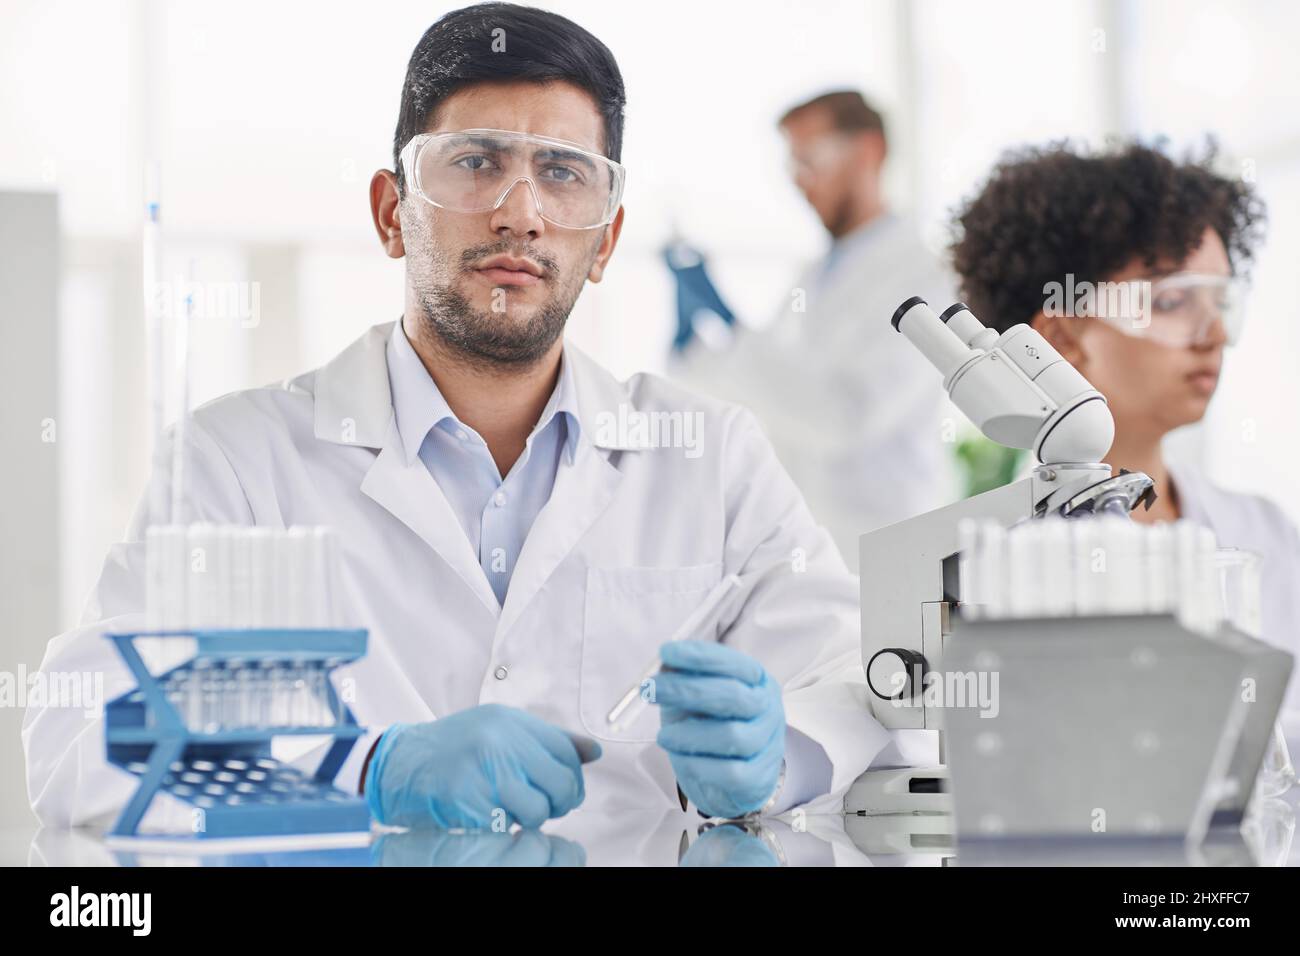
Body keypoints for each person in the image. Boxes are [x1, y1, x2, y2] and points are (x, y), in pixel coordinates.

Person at [23, 2, 891, 832]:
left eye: (561, 172)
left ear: (608, 242)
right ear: (391, 213)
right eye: (474, 162)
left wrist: (783, 755)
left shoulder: (711, 457)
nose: (520, 211)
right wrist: (368, 771)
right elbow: (77, 743)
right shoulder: (237, 461)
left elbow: (865, 684)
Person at [948, 139, 1299, 737]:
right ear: (1059, 339)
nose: (1214, 335)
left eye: (1220, 301)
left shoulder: (1263, 535)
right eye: (1171, 301)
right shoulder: (991, 562)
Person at [673, 91, 958, 571]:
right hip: (809, 548)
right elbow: (762, 397)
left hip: (888, 542)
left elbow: (847, 416)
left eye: (809, 158)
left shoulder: (925, 273)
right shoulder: (816, 274)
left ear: (868, 151)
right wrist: (693, 350)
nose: (798, 180)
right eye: (790, 164)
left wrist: (729, 326)